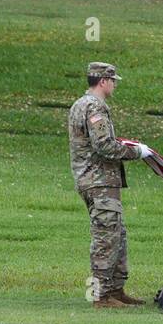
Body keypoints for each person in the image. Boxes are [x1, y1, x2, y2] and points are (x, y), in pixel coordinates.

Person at [67, 63, 152, 308]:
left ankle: (115, 290)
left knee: (116, 235)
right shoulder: (94, 107)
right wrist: (137, 153)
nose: (115, 85)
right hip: (98, 180)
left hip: (94, 180)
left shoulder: (80, 104)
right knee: (106, 238)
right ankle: (101, 296)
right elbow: (103, 145)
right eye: (113, 80)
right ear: (103, 81)